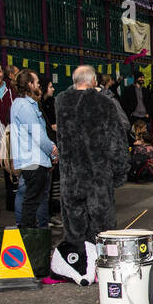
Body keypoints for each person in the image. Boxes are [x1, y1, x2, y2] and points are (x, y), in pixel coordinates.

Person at [54, 65, 130, 244]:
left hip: (71, 176)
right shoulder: (104, 103)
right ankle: (100, 266)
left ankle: (78, 264)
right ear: (94, 81)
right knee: (102, 228)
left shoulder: (61, 103)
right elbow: (116, 141)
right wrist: (120, 171)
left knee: (75, 225)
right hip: (98, 175)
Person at [10, 69, 57, 231]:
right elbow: (37, 133)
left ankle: (31, 234)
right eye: (36, 82)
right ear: (29, 84)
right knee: (31, 201)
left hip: (35, 159)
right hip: (33, 159)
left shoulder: (26, 104)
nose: (39, 85)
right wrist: (53, 149)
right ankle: (27, 236)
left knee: (33, 198)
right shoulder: (24, 106)